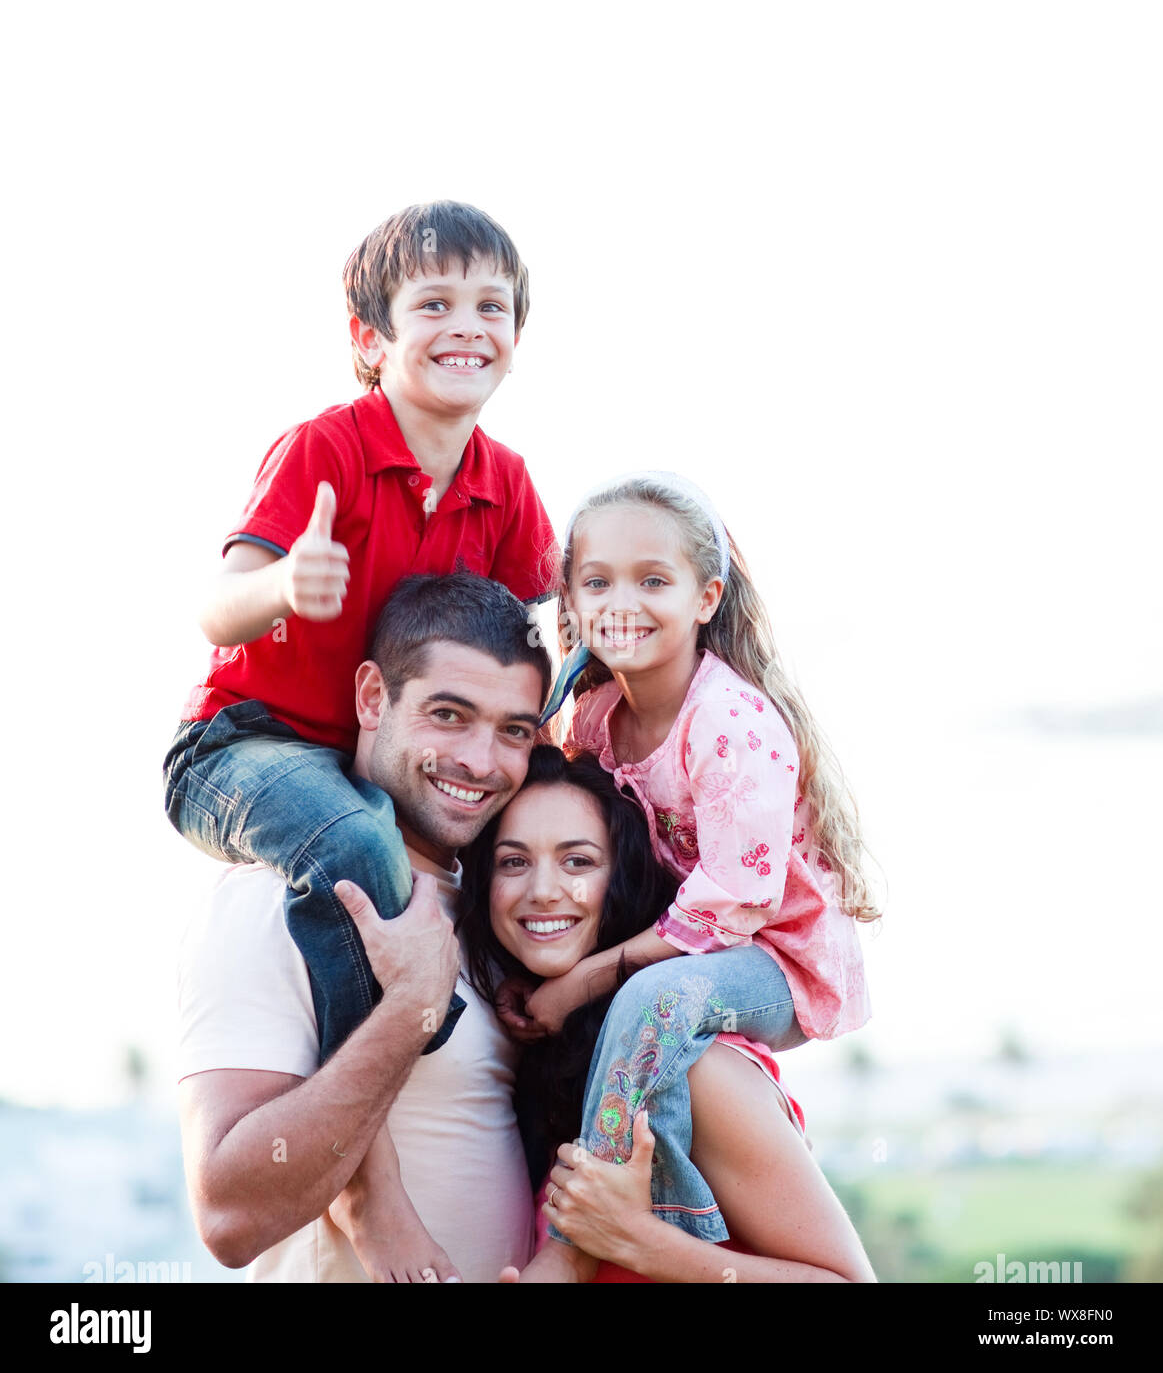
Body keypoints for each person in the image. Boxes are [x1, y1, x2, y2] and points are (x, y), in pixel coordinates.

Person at [164, 198, 557, 1063]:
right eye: (434, 304)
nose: (468, 325)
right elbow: (215, 607)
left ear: (515, 341)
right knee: (352, 842)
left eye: (492, 306)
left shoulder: (506, 482)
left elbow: (545, 642)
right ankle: (398, 1055)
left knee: (568, 819)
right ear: (369, 338)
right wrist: (283, 583)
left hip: (378, 761)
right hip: (244, 748)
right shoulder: (326, 449)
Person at [500, 471, 878, 1275]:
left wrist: (583, 978)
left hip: (772, 963)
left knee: (652, 999)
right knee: (648, 1004)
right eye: (596, 581)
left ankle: (620, 1230)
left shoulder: (728, 723)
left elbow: (733, 907)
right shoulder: (598, 717)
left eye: (653, 581)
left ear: (705, 598)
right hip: (683, 957)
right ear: (568, 596)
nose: (620, 602)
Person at [177, 573, 551, 1282]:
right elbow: (228, 1216)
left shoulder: (494, 903)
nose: (479, 760)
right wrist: (410, 1011)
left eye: (513, 730)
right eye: (448, 715)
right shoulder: (270, 900)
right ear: (373, 697)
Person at [458, 745, 875, 1282]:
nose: (542, 892)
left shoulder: (698, 1071)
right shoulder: (542, 1058)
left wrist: (640, 1243)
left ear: (625, 877)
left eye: (578, 861)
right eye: (513, 862)